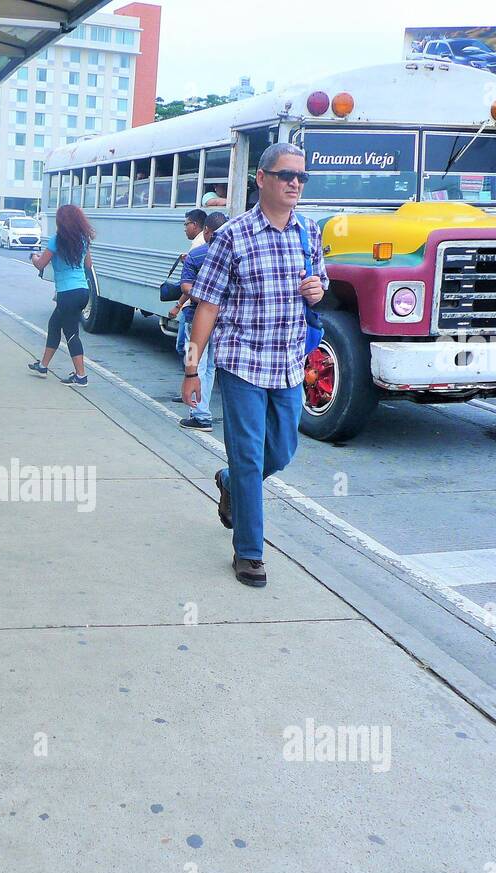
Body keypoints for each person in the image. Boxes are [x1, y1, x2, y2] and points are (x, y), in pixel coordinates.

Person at [185, 143, 327, 588]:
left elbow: (321, 283)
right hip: (242, 362)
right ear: (261, 178)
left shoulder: (309, 232)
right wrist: (192, 369)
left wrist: (317, 290)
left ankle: (229, 482)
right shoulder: (234, 235)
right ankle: (250, 553)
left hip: (287, 363)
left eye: (301, 177)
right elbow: (206, 305)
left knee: (281, 451)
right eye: (286, 175)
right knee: (249, 456)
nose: (295, 184)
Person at [26, 203, 94, 387]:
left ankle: (81, 375)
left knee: (71, 333)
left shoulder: (56, 240)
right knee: (54, 324)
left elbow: (41, 265)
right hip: (82, 291)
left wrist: (33, 256)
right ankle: (43, 365)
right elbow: (88, 265)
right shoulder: (83, 239)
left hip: (67, 292)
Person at [170, 210, 227, 432]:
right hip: (221, 323)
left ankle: (200, 415)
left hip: (196, 322)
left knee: (194, 364)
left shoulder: (196, 255)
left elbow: (185, 287)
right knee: (210, 366)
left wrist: (204, 299)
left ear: (206, 231)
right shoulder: (232, 254)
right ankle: (202, 411)